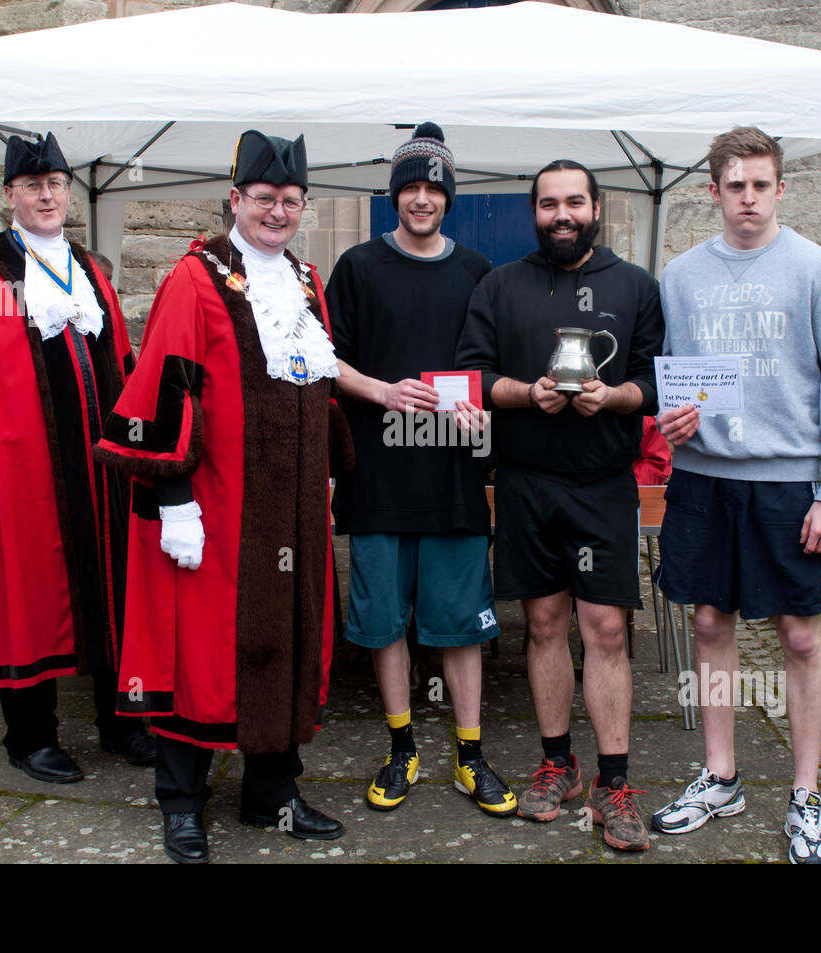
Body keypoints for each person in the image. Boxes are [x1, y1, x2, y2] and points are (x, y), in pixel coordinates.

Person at [94, 130, 345, 864]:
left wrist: (324, 471)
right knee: (201, 654)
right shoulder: (193, 281)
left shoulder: (305, 280)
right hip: (218, 510)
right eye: (264, 199)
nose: (277, 212)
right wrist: (174, 498)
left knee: (286, 643)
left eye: (290, 201)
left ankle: (272, 791)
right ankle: (181, 802)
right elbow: (165, 386)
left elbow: (315, 379)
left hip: (291, 509)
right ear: (236, 199)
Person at [455, 160, 697, 851]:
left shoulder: (635, 286)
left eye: (574, 202)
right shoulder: (500, 286)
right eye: (549, 204)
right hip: (527, 479)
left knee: (608, 631)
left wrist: (614, 397)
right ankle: (556, 762)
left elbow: (657, 377)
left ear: (596, 207)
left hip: (603, 482)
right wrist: (526, 393)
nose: (562, 214)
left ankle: (613, 783)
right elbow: (473, 373)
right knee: (542, 623)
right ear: (534, 212)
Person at [649, 126, 821, 864]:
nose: (748, 197)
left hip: (789, 484)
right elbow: (678, 383)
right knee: (710, 620)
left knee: (800, 635)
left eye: (761, 184)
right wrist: (670, 418)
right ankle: (720, 775)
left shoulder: (815, 270)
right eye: (734, 185)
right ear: (713, 191)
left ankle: (806, 794)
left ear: (781, 189)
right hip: (707, 480)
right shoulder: (679, 277)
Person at [0, 133, 154, 783]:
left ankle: (121, 721)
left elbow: (122, 360)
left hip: (99, 474)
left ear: (68, 193)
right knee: (26, 597)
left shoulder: (91, 269)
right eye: (32, 186)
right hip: (20, 471)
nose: (47, 196)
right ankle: (29, 735)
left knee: (113, 589)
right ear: (10, 194)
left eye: (56, 185)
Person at [326, 123, 515, 818]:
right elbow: (325, 359)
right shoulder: (357, 267)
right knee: (384, 622)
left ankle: (470, 752)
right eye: (410, 185)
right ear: (394, 194)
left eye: (434, 186)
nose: (422, 197)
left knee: (461, 622)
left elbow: (492, 371)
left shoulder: (477, 272)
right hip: (378, 476)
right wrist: (382, 390)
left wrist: (483, 408)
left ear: (449, 196)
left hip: (453, 480)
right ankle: (401, 745)